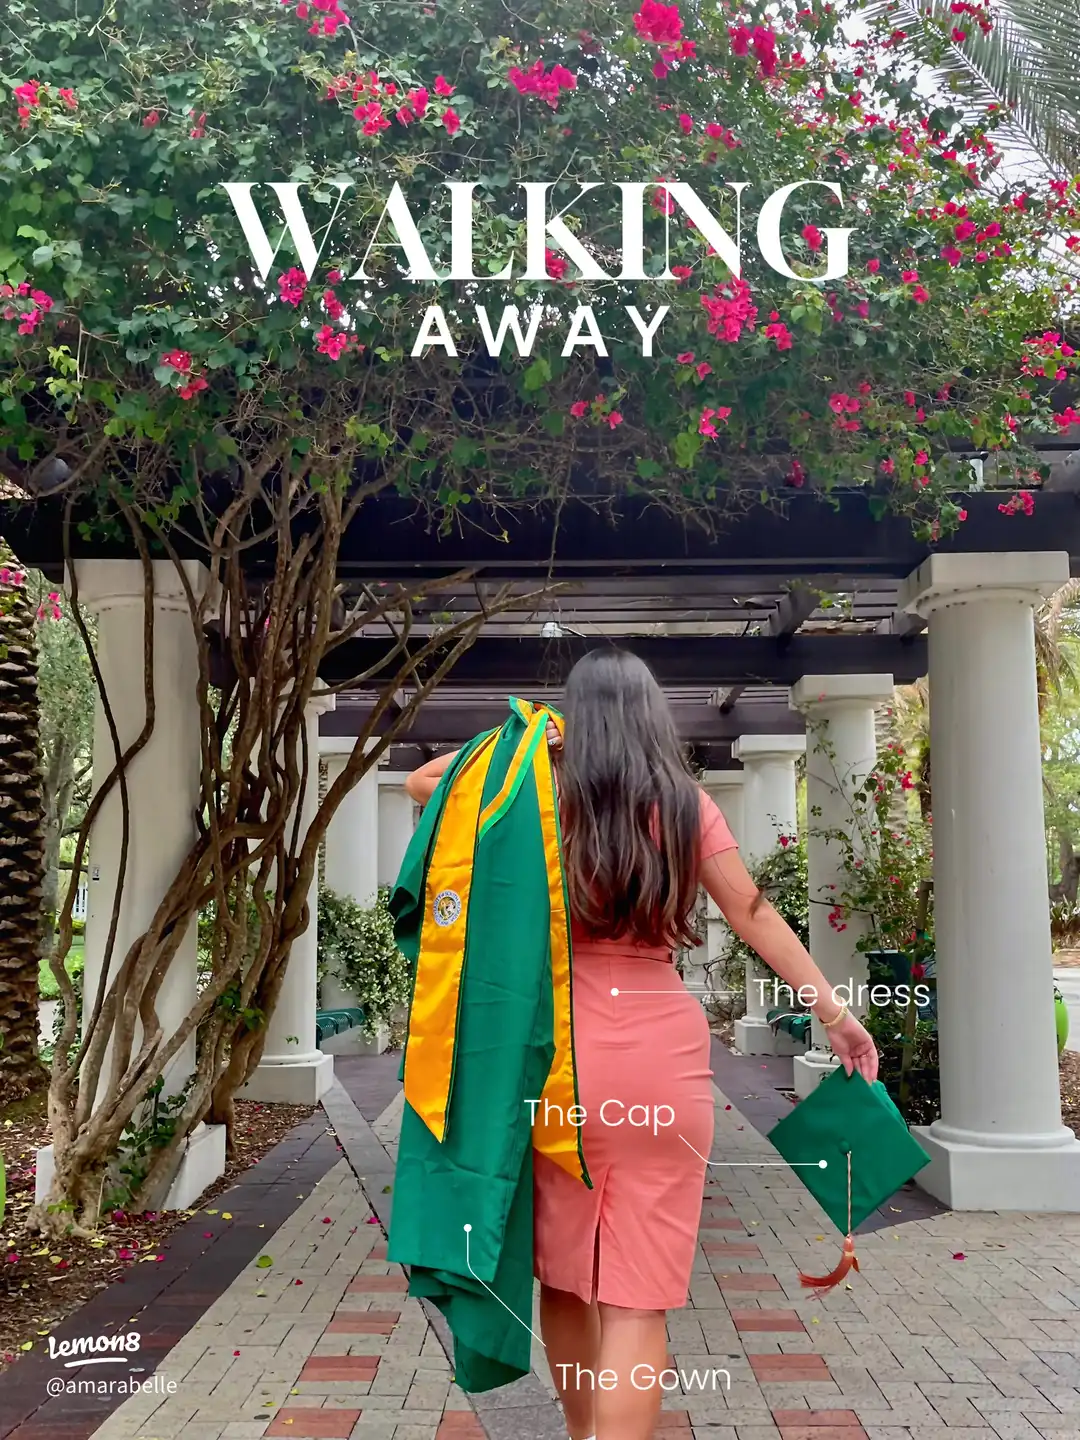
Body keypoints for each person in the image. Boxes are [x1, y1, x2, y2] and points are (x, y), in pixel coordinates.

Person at [404, 649, 878, 1440]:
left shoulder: (534, 793)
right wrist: (834, 1013)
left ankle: (583, 1431)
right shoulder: (687, 806)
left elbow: (427, 783)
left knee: (563, 1279)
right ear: (655, 719)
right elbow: (755, 916)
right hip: (662, 1060)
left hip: (555, 1061)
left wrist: (525, 739)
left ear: (574, 719)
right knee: (638, 1296)